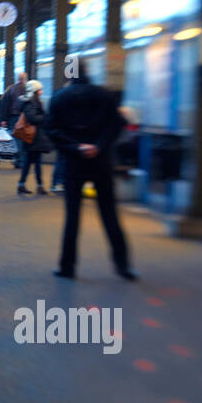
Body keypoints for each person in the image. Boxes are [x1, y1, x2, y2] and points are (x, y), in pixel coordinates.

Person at [44, 62, 138, 281]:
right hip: (101, 162)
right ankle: (123, 265)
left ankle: (67, 266)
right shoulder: (104, 95)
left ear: (69, 72)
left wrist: (75, 146)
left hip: (72, 163)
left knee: (72, 217)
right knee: (109, 215)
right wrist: (98, 146)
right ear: (87, 72)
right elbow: (117, 124)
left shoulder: (59, 97)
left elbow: (51, 129)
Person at [15, 80, 52, 195]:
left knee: (32, 162)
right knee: (34, 162)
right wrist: (44, 118)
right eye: (40, 90)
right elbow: (32, 118)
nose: (41, 92)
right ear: (35, 91)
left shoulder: (33, 101)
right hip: (33, 137)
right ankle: (37, 186)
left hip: (34, 137)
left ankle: (25, 185)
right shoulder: (31, 103)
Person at [0, 72, 28, 167]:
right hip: (25, 117)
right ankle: (22, 160)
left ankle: (18, 159)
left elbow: (5, 105)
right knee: (24, 138)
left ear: (17, 79)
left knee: (15, 138)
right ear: (25, 79)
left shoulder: (11, 89)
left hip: (13, 117)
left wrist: (3, 119)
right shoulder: (28, 89)